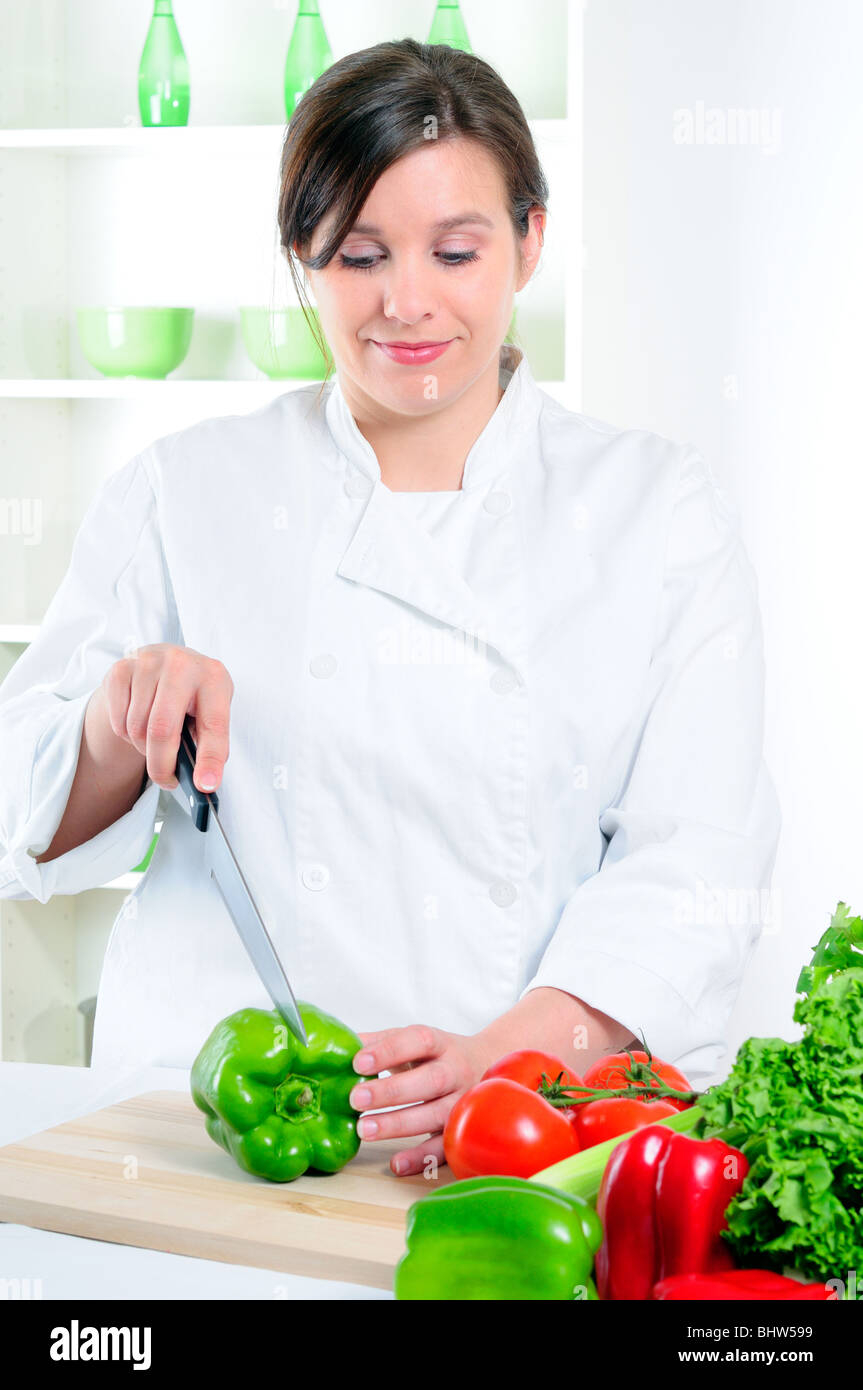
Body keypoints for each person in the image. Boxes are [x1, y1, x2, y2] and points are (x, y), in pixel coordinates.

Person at [0, 39, 780, 1177]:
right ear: (300, 259)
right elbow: (25, 817)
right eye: (359, 255)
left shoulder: (653, 509)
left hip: (513, 1148)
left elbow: (697, 858)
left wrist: (504, 1062)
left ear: (529, 241)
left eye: (454, 250)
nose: (406, 301)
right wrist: (112, 724)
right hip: (203, 1146)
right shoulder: (185, 490)